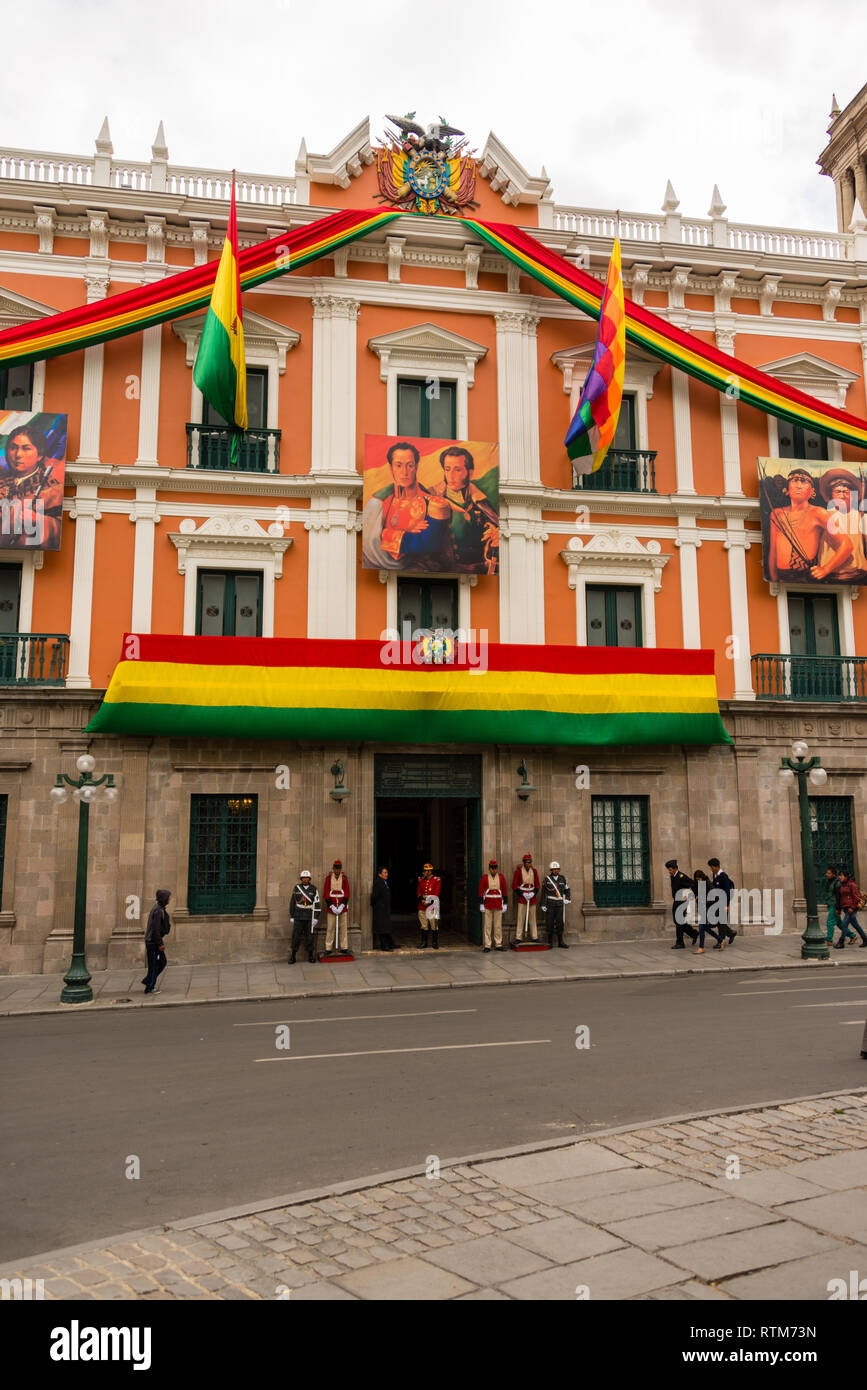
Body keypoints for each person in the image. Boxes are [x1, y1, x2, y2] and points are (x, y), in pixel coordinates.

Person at [361, 440, 450, 570]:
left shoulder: (432, 502)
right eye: (398, 465)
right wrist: (407, 531)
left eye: (409, 465)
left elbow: (429, 543)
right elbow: (370, 544)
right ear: (391, 468)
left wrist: (387, 534)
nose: (404, 472)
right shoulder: (378, 503)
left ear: (416, 466)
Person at [767, 467, 853, 582]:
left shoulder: (818, 513)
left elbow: (846, 544)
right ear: (787, 489)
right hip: (781, 577)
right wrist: (774, 579)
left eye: (803, 481)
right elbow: (773, 552)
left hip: (805, 576)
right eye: (794, 480)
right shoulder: (776, 514)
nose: (798, 485)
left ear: (812, 492)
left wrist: (826, 569)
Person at [429, 445, 499, 574]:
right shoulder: (432, 501)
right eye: (447, 469)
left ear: (470, 473)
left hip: (481, 573)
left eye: (457, 470)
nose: (451, 476)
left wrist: (494, 542)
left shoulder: (482, 503)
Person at [0, 423, 64, 549]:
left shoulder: (53, 490)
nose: (18, 454)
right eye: (13, 447)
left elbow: (61, 529)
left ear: (39, 455)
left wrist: (38, 520)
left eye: (26, 448)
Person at [818, 468, 867, 582]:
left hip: (857, 574)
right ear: (831, 495)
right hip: (830, 574)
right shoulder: (825, 516)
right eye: (838, 492)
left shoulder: (861, 517)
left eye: (846, 492)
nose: (842, 495)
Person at [142, 889, 171, 994]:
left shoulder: (159, 908)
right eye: (168, 897)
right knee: (155, 965)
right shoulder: (158, 911)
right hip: (153, 943)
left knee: (162, 962)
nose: (169, 899)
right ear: (164, 898)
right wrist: (160, 944)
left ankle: (148, 980)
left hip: (153, 942)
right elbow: (155, 929)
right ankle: (149, 987)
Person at [665, 860, 698, 948]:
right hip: (676, 900)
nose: (669, 871)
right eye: (669, 869)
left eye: (670, 869)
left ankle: (680, 943)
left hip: (682, 902)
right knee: (678, 921)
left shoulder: (681, 876)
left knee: (679, 922)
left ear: (676, 868)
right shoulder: (673, 876)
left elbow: (693, 883)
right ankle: (694, 933)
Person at [289, 871, 319, 964]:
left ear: (309, 879)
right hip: (298, 915)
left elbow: (317, 903)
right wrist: (292, 915)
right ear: (301, 879)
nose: (305, 879)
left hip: (309, 915)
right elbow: (293, 903)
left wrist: (316, 917)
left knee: (310, 937)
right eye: (303, 878)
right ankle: (293, 956)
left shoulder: (314, 889)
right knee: (296, 936)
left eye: (307, 878)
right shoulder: (297, 888)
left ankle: (310, 955)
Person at [707, 858, 737, 948]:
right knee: (719, 922)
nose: (711, 869)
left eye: (711, 867)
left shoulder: (723, 876)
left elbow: (727, 892)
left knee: (721, 922)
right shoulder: (715, 875)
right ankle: (731, 933)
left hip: (723, 903)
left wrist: (726, 905)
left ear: (716, 867)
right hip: (717, 903)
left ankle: (721, 942)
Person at [478, 858, 507, 952]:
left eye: (495, 868)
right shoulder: (484, 877)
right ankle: (487, 945)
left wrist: (505, 903)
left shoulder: (501, 877)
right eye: (492, 868)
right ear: (489, 868)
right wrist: (481, 904)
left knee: (498, 925)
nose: (494, 870)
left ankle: (498, 944)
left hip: (498, 903)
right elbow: (480, 891)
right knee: (488, 926)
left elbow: (505, 891)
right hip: (488, 904)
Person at [540, 861, 571, 948]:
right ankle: (550, 942)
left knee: (560, 923)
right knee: (549, 923)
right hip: (550, 904)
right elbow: (543, 893)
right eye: (554, 869)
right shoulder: (547, 879)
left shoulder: (562, 878)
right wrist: (543, 904)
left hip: (559, 904)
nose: (556, 871)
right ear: (551, 870)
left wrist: (568, 898)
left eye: (557, 869)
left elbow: (567, 889)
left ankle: (560, 941)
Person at [833, 870, 867, 948]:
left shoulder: (852, 885)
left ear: (846, 877)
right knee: (855, 924)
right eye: (839, 875)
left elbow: (857, 897)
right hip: (845, 908)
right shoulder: (842, 885)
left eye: (841, 875)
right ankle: (865, 939)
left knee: (844, 924)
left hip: (851, 908)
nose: (839, 877)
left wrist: (852, 908)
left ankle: (841, 942)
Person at [323, 859, 350, 956]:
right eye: (336, 868)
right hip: (332, 906)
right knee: (330, 927)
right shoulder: (328, 878)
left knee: (343, 927)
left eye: (339, 869)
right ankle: (328, 947)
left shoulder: (344, 878)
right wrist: (331, 905)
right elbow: (326, 893)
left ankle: (344, 947)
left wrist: (343, 904)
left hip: (342, 906)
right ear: (333, 868)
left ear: (341, 869)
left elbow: (347, 892)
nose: (337, 870)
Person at [692, 869, 723, 953]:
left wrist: (704, 901)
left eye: (699, 879)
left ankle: (701, 947)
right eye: (696, 880)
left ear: (702, 877)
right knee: (705, 928)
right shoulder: (698, 885)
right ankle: (721, 940)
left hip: (709, 909)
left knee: (701, 927)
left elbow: (715, 897)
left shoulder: (708, 884)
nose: (698, 881)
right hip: (703, 909)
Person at [513, 854, 540, 943]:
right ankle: (518, 937)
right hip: (522, 897)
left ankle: (534, 936)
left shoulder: (534, 871)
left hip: (531, 897)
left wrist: (533, 893)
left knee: (533, 918)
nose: (529, 864)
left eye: (530, 862)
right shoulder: (518, 871)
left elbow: (537, 885)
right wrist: (522, 894)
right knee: (521, 918)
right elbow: (514, 885)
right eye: (527, 862)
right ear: (524, 863)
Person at [417, 862, 441, 948]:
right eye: (423, 871)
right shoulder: (421, 880)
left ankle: (435, 943)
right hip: (422, 905)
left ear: (430, 871)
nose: (423, 872)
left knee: (434, 925)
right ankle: (424, 943)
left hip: (432, 906)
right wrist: (422, 901)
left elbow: (436, 893)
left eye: (425, 871)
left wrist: (428, 902)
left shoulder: (436, 880)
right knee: (424, 925)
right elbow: (419, 892)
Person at [371, 867, 395, 951]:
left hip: (385, 909)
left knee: (385, 927)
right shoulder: (378, 883)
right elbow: (374, 897)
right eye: (385, 873)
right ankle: (384, 946)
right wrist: (378, 906)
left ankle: (390, 944)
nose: (386, 874)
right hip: (380, 910)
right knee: (382, 928)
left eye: (387, 872)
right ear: (380, 874)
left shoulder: (384, 882)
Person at [823, 865, 842, 944]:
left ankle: (829, 940)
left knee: (830, 922)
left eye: (829, 873)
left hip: (834, 905)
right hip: (830, 904)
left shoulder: (837, 883)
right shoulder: (828, 881)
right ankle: (852, 935)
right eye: (827, 873)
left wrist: (838, 908)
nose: (827, 874)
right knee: (839, 923)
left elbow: (838, 897)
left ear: (834, 874)